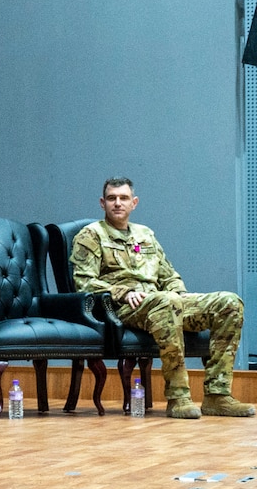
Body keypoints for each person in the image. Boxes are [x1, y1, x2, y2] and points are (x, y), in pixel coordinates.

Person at [70, 177, 253, 420]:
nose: (117, 203)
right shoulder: (91, 235)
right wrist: (124, 293)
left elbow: (169, 275)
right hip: (124, 307)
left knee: (229, 302)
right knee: (168, 302)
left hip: (162, 301)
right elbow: (84, 282)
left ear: (134, 203)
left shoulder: (145, 235)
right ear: (102, 203)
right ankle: (178, 397)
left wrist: (180, 293)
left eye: (123, 198)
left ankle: (217, 396)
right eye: (112, 198)